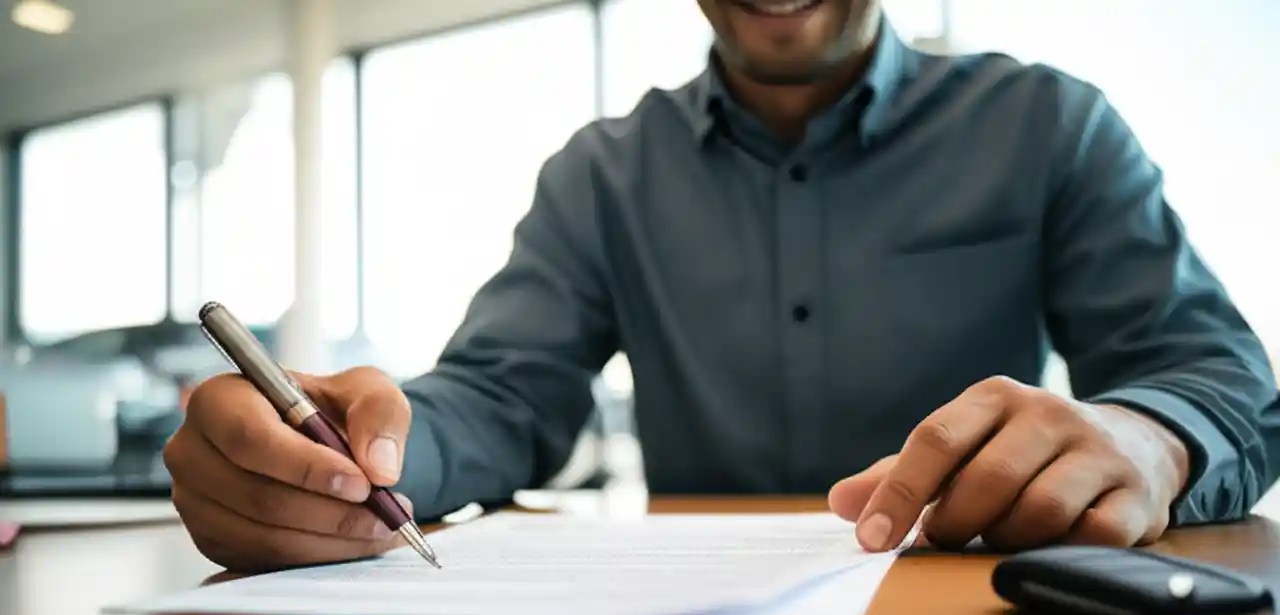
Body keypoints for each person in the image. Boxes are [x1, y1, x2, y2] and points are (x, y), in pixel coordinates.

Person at [164, 0, 1280, 572]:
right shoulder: (600, 173)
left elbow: (1215, 378)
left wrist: (1150, 438)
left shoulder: (1049, 126)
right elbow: (502, 398)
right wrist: (350, 460)